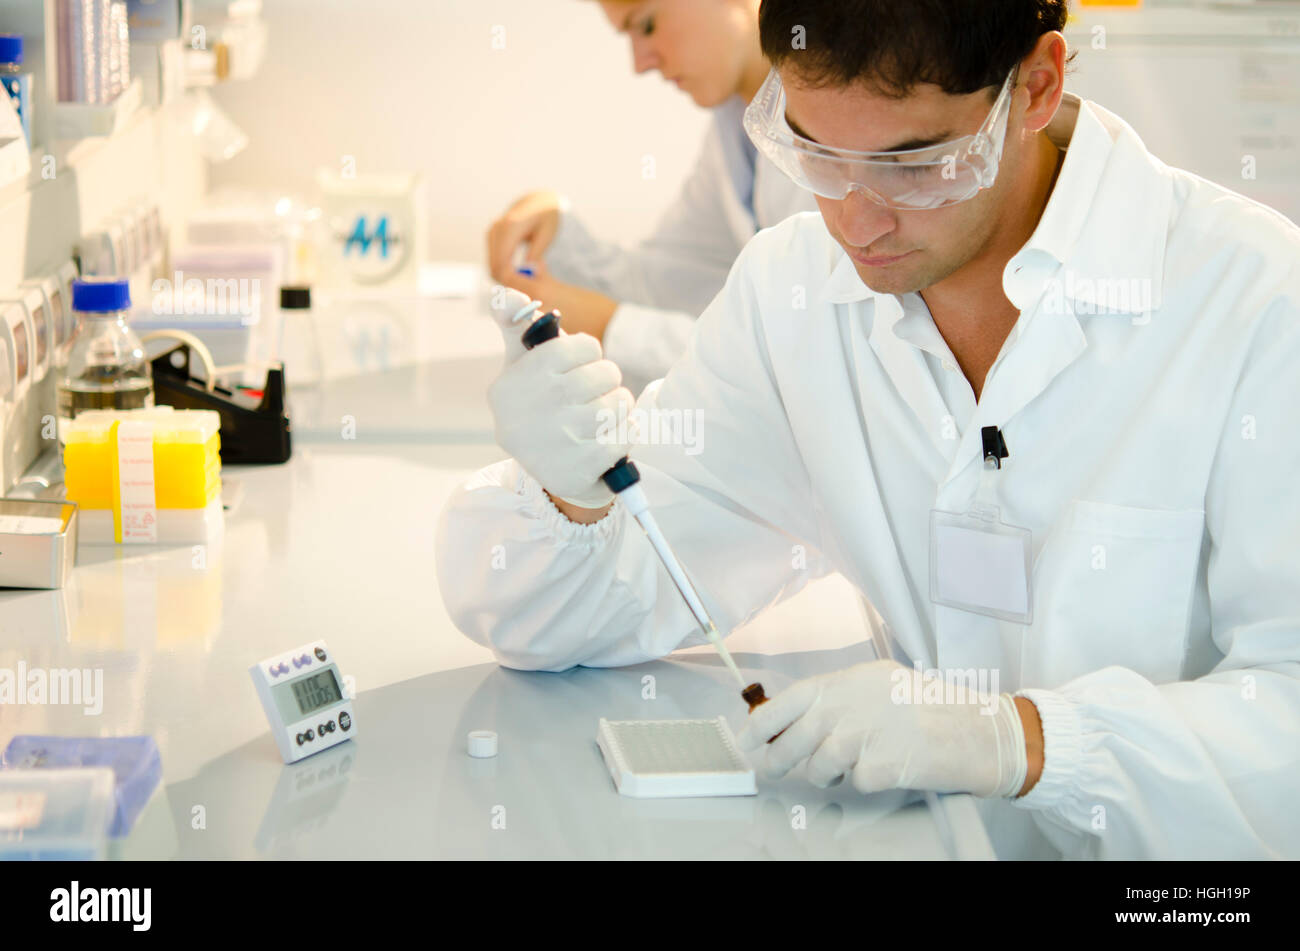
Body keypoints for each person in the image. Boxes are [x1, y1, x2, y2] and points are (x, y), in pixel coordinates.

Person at [439, 0, 1300, 860]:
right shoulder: (795, 296)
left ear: (1036, 85)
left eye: (914, 165)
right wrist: (569, 491)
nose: (855, 221)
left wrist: (1019, 742)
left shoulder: (1254, 301)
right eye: (814, 154)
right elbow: (557, 620)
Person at [486, 0, 814, 391]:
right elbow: (673, 274)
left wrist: (609, 326)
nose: (640, 63)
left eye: (647, 25)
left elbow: (795, 361)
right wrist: (560, 238)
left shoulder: (833, 124)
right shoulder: (735, 124)